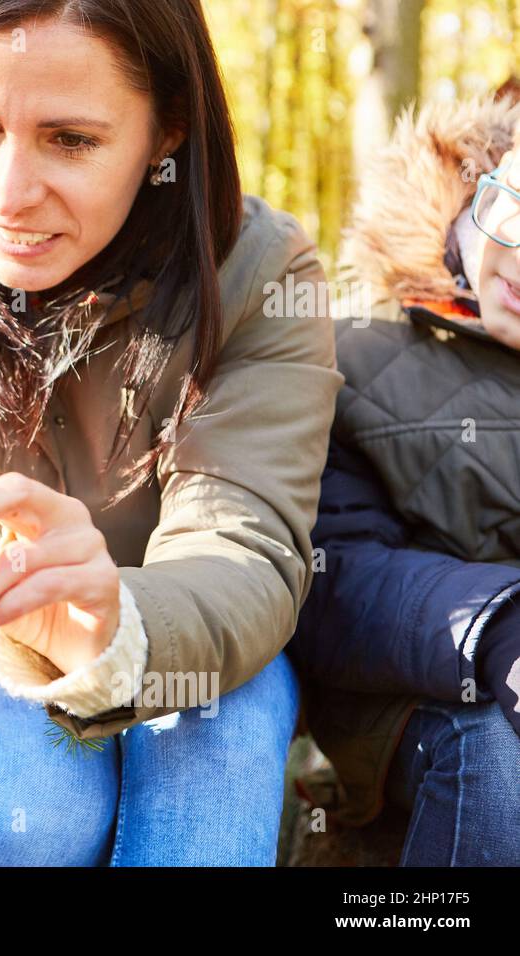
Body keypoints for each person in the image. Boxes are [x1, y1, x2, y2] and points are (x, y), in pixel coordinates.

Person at [0, 0, 342, 865]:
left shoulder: (260, 275)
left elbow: (246, 554)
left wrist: (106, 624)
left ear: (167, 129)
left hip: (187, 651)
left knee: (213, 762)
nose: (8, 195)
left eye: (71, 140)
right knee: (23, 804)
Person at [290, 94, 520, 866]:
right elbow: (331, 578)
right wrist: (496, 628)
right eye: (508, 209)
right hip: (419, 700)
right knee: (494, 747)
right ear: (478, 192)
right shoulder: (354, 356)